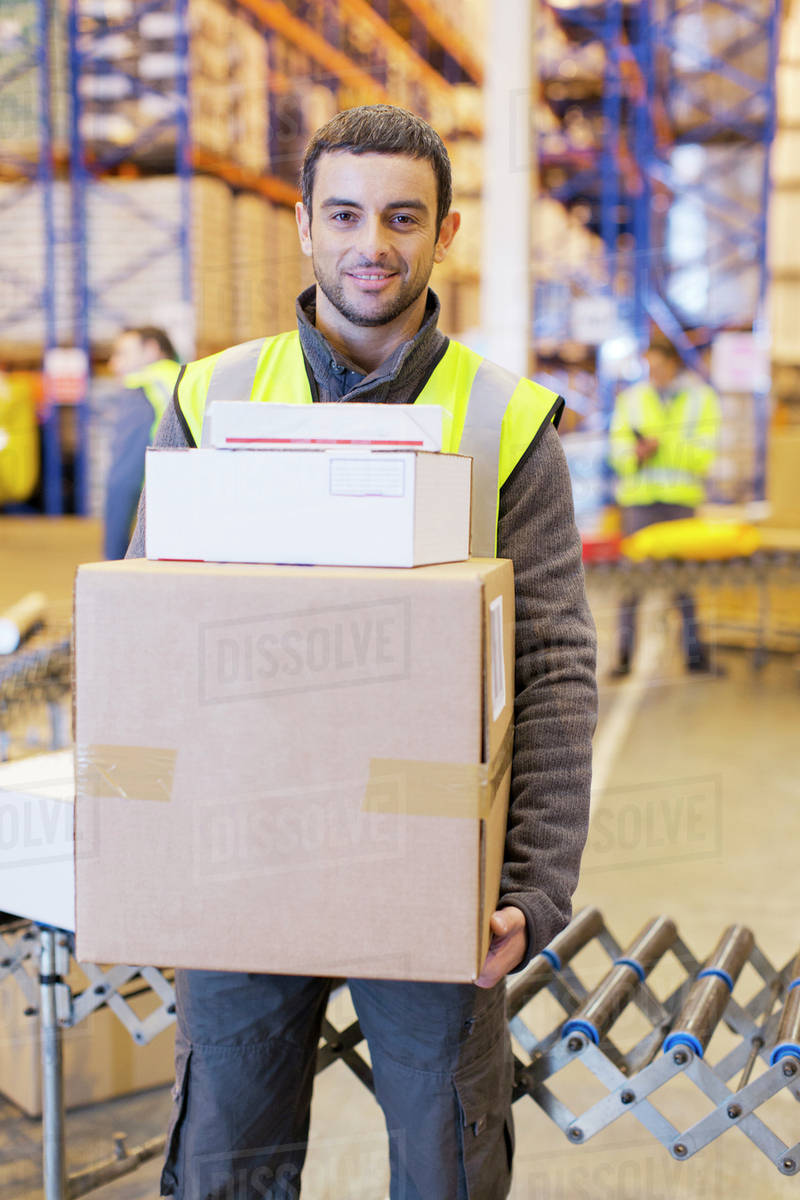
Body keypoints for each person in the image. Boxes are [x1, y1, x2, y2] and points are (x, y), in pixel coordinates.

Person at [127, 105, 597, 1200]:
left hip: (435, 878)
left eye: (400, 217)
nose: (369, 244)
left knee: (445, 1161)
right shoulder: (213, 398)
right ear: (301, 223)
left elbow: (552, 665)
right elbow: (148, 640)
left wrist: (529, 890)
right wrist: (143, 855)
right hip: (238, 853)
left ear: (445, 233)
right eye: (342, 214)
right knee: (223, 1164)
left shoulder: (503, 420)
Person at [608, 341, 721, 676]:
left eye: (659, 367)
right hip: (639, 505)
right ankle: (624, 657)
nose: (654, 374)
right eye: (649, 368)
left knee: (685, 582)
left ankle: (694, 655)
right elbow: (617, 453)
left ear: (674, 364)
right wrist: (637, 455)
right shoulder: (631, 400)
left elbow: (704, 455)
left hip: (680, 503)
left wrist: (662, 446)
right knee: (631, 584)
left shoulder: (702, 399)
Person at [103, 325, 180, 559]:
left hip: (159, 499)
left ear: (152, 349)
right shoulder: (186, 377)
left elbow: (123, 478)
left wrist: (112, 557)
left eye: (122, 354)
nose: (113, 364)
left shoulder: (142, 386)